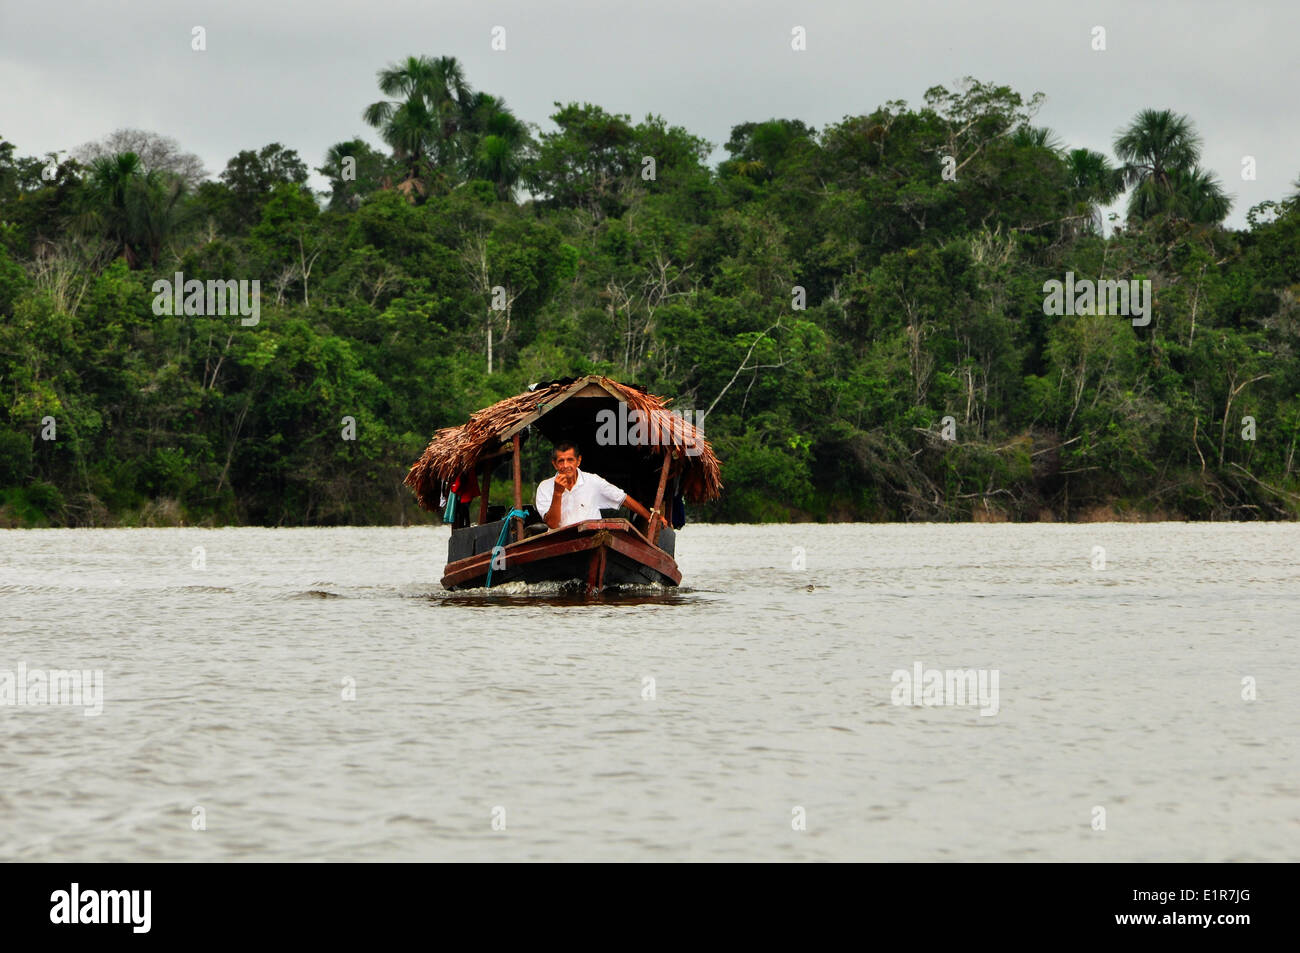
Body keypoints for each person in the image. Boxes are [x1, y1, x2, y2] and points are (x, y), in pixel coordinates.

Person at [536, 442, 669, 532]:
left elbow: (623, 499)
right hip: (560, 543)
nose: (566, 466)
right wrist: (557, 493)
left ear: (578, 461)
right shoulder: (545, 487)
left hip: (592, 539)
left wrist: (650, 517)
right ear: (555, 464)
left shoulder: (593, 481)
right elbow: (552, 524)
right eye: (561, 461)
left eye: (570, 460)